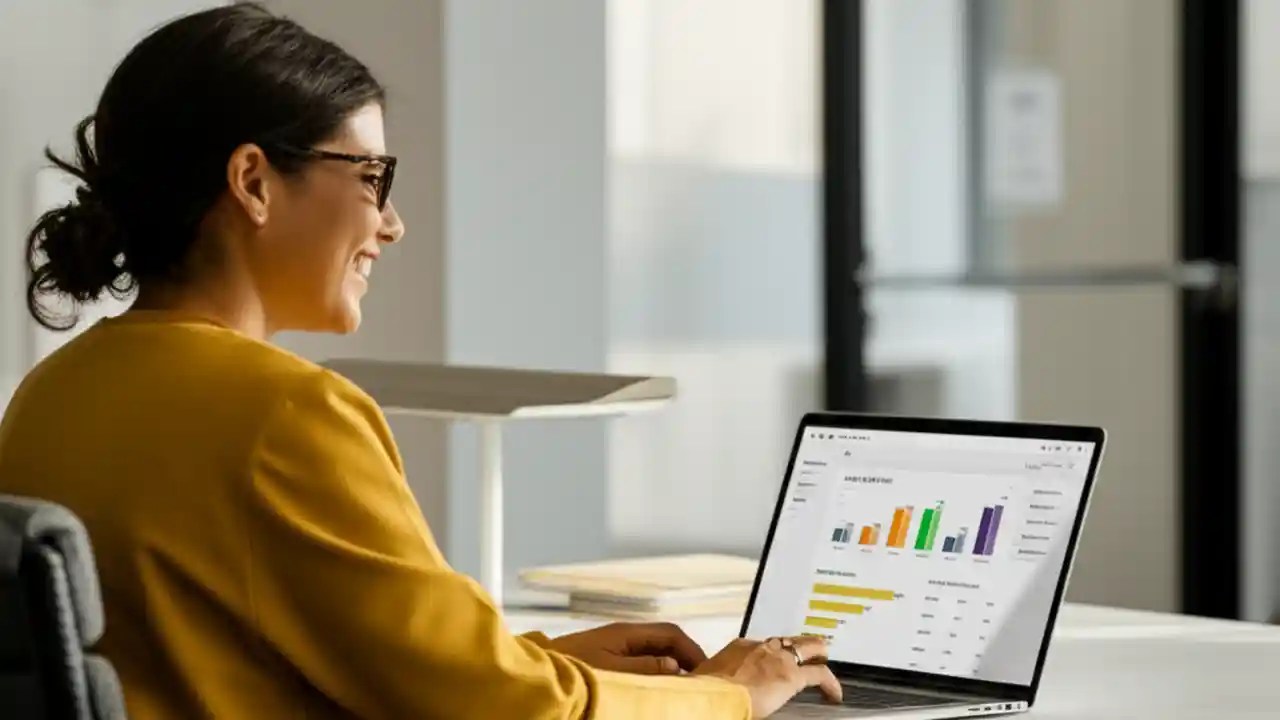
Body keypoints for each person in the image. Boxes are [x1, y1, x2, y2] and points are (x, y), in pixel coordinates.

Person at [0, 4, 842, 718]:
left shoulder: (52, 394)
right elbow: (500, 713)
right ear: (253, 182)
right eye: (372, 177)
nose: (391, 224)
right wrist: (730, 691)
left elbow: (249, 658)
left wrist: (540, 659)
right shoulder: (285, 414)